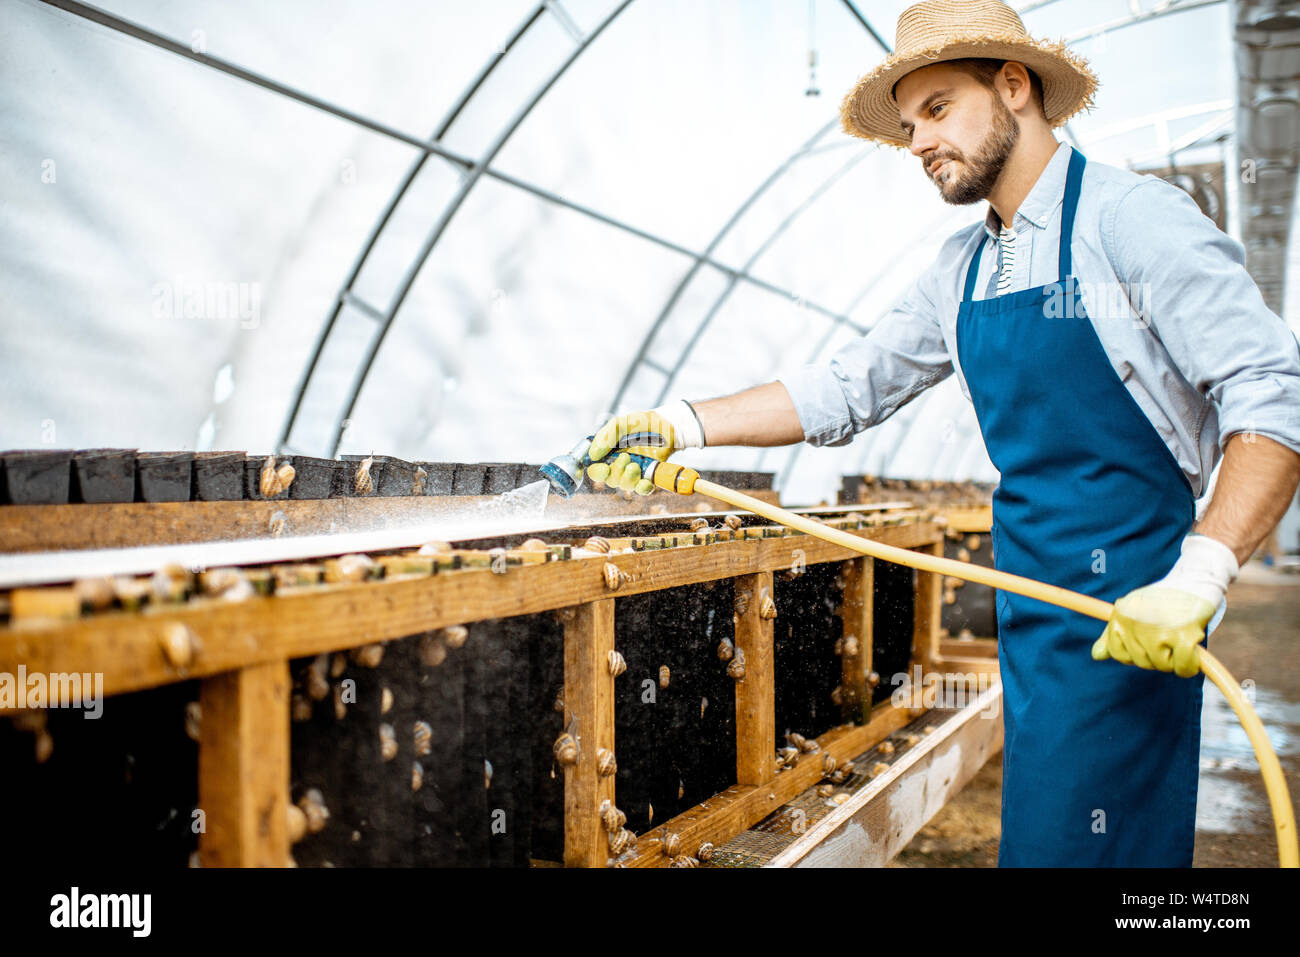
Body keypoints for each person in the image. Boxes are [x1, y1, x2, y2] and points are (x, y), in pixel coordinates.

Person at [575, 0, 1300, 866]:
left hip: (1140, 610)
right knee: (1045, 838)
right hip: (1030, 607)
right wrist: (685, 423)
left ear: (1015, 86)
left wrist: (1201, 576)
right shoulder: (962, 268)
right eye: (911, 122)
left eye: (938, 108)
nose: (918, 142)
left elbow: (1271, 395)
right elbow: (850, 384)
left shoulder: (1129, 220)